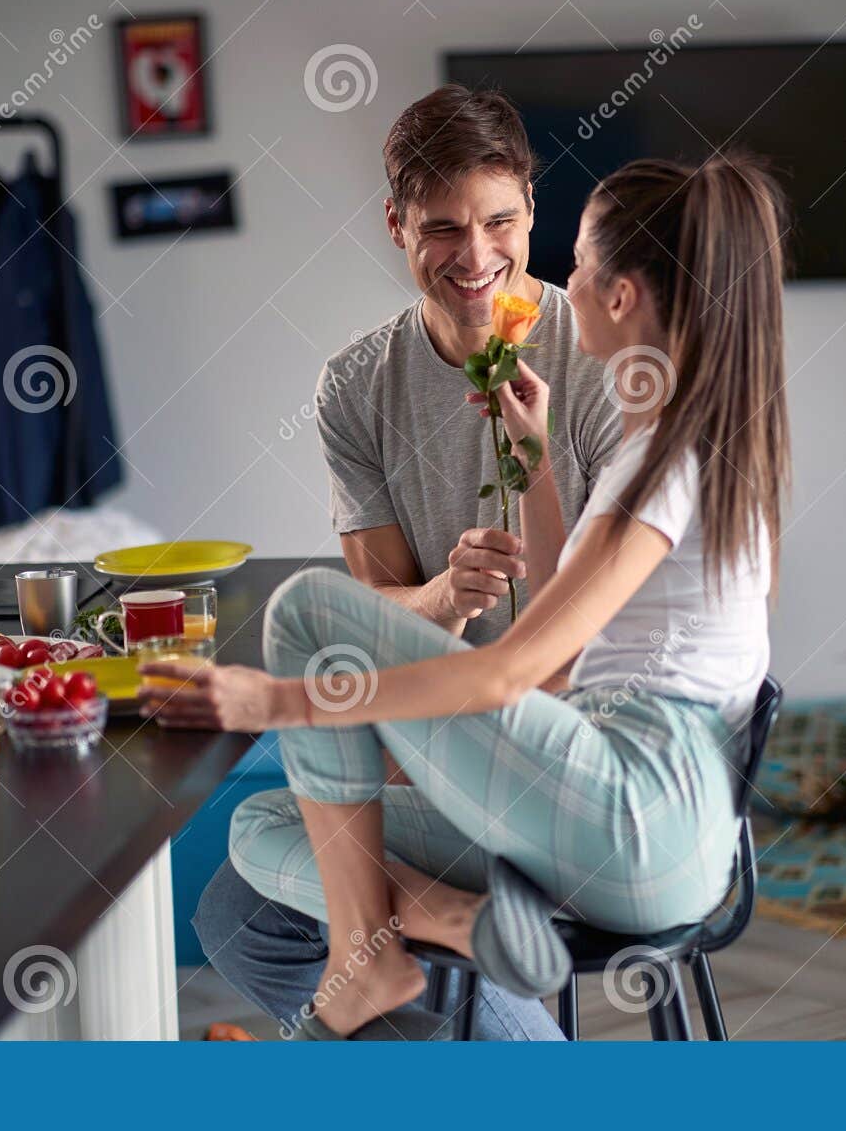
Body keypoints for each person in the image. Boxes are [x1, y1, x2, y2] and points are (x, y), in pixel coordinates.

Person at [147, 151, 791, 1040]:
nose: (562, 275)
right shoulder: (699, 444)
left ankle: (374, 957)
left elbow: (512, 669)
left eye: (584, 258)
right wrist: (532, 463)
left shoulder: (663, 460)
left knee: (305, 610)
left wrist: (278, 698)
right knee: (261, 826)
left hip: (635, 810)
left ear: (621, 296)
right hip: (645, 821)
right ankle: (439, 923)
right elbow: (563, 651)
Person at [187, 85, 619, 1041]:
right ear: (395, 225)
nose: (477, 256)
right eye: (442, 228)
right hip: (431, 739)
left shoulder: (596, 359)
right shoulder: (354, 386)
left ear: (532, 214)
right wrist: (441, 598)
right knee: (235, 915)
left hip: (570, 744)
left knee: (286, 865)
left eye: (500, 220)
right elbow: (372, 607)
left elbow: (619, 623)